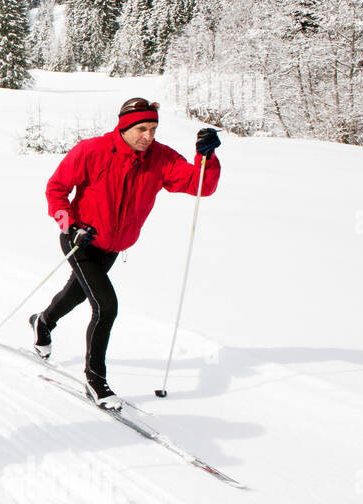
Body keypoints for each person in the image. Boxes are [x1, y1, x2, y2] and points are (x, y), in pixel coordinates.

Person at [30, 97, 222, 410]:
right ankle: (96, 379)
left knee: (78, 293)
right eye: (142, 128)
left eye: (154, 128)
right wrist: (68, 223)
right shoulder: (92, 151)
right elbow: (57, 188)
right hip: (80, 239)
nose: (148, 135)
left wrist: (207, 158)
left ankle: (43, 322)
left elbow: (200, 185)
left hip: (113, 246)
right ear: (124, 127)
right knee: (106, 306)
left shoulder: (160, 158)